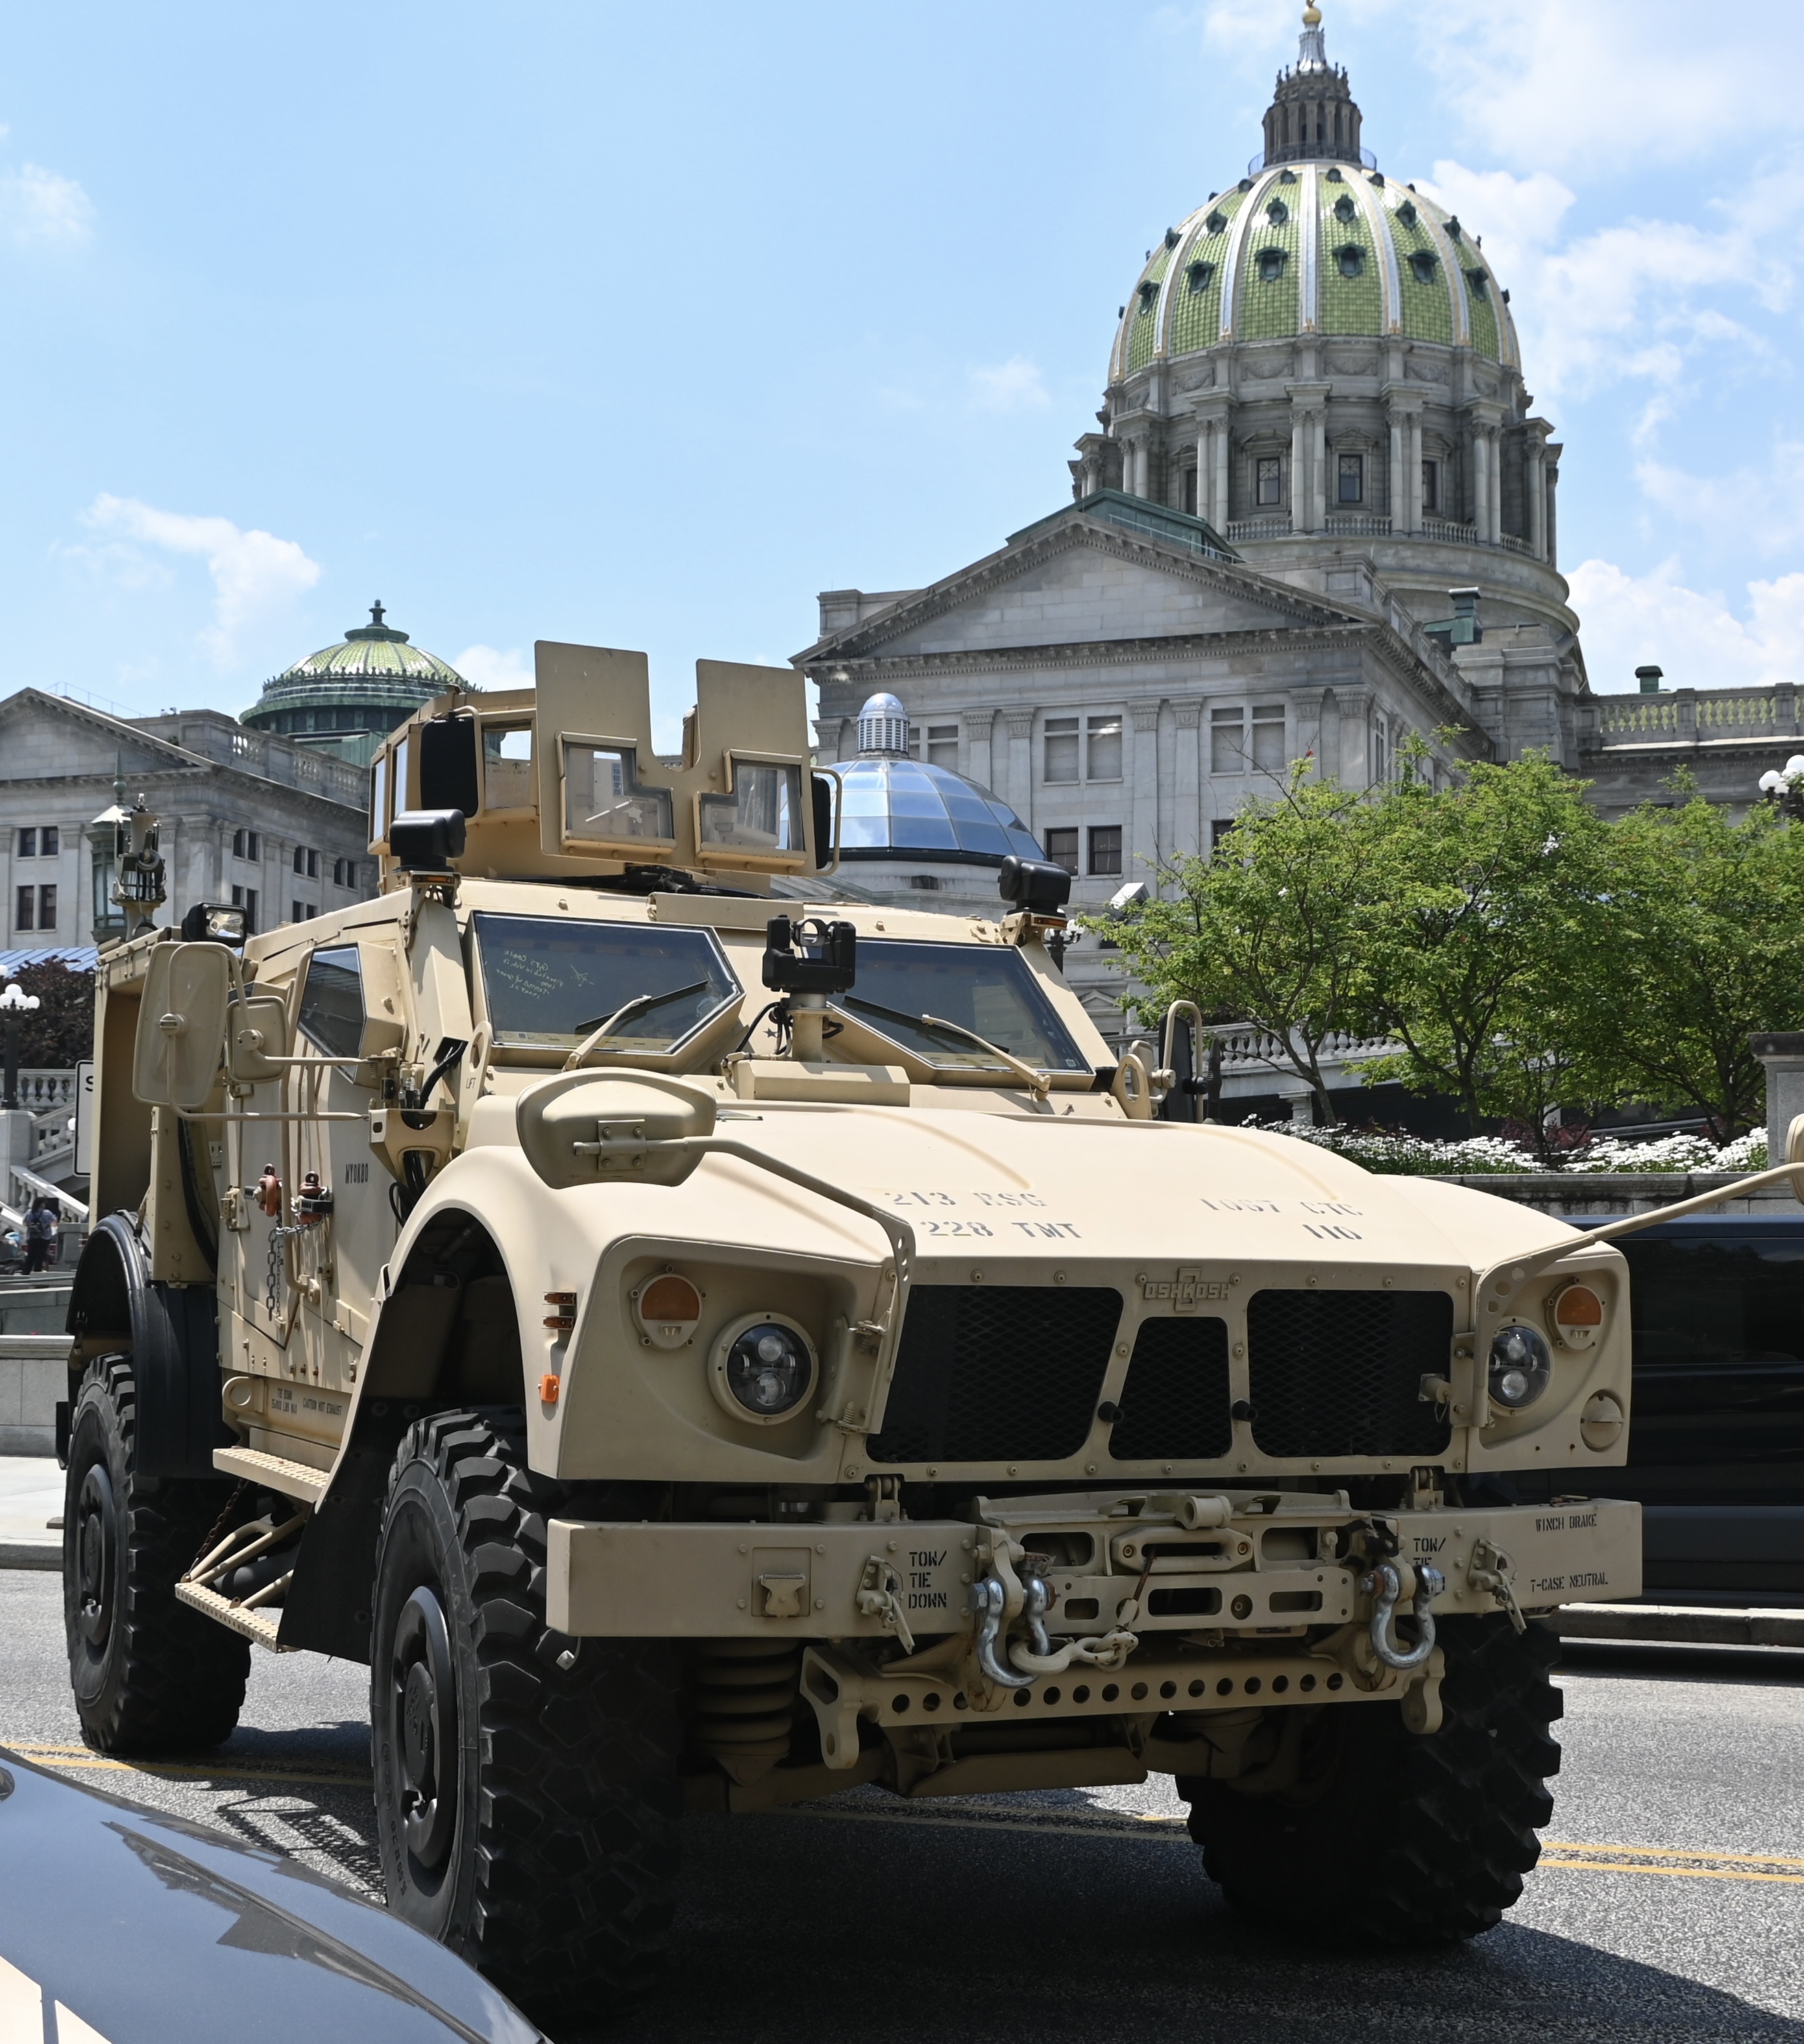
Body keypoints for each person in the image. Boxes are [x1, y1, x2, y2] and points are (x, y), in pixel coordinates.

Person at [24, 1196, 57, 1275]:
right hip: (44, 1236)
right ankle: (37, 1270)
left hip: (32, 1236)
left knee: (31, 1254)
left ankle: (26, 1271)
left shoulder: (29, 1212)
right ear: (42, 1204)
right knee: (41, 1255)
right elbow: (54, 1223)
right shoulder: (47, 1213)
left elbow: (25, 1223)